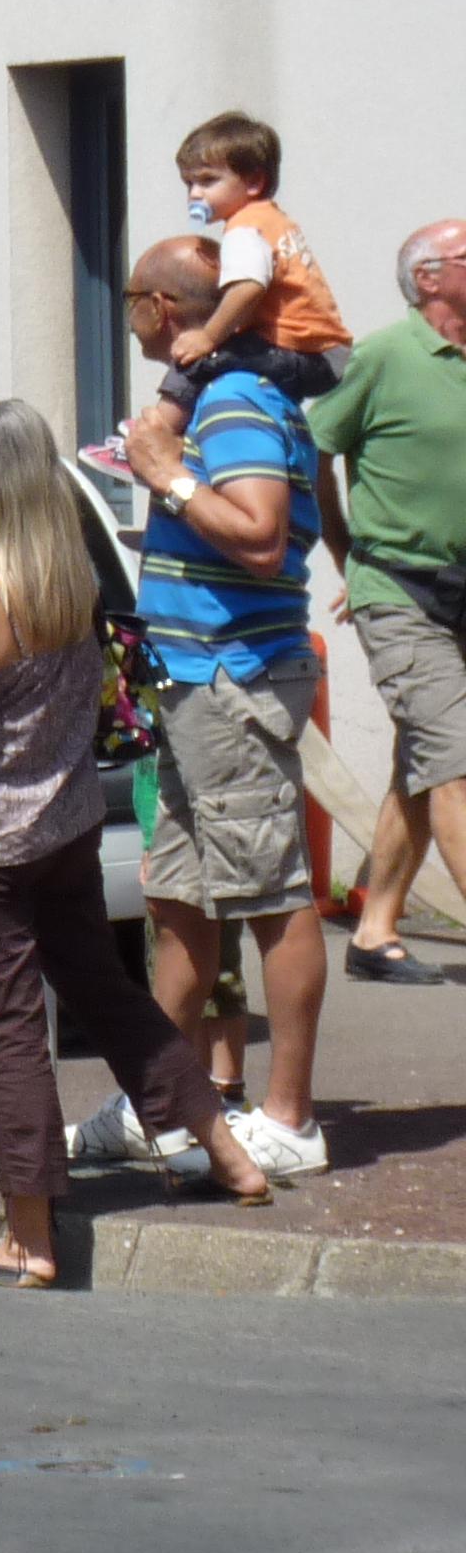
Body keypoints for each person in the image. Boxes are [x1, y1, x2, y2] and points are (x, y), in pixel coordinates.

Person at [0, 400, 270, 1284]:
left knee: (6, 1035)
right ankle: (230, 1156)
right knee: (109, 995)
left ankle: (29, 1238)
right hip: (63, 832)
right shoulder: (67, 573)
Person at [115, 235, 331, 1177]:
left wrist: (166, 473)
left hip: (233, 683)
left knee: (270, 896)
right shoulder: (216, 395)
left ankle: (290, 1119)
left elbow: (259, 533)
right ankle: (159, 1103)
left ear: (163, 308)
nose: (128, 312)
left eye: (130, 295)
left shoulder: (236, 398)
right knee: (181, 901)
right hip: (191, 682)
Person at [311, 218, 466, 984]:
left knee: (423, 758)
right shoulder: (382, 356)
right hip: (401, 592)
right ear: (429, 277)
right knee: (456, 765)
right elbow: (316, 451)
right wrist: (352, 559)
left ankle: (373, 932)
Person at [150, 109, 351, 420]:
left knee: (194, 361)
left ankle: (158, 427)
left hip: (302, 353)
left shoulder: (244, 229)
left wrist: (207, 337)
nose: (195, 194)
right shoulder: (272, 219)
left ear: (254, 181)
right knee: (230, 358)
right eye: (189, 183)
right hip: (322, 352)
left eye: (207, 181)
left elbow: (248, 288)